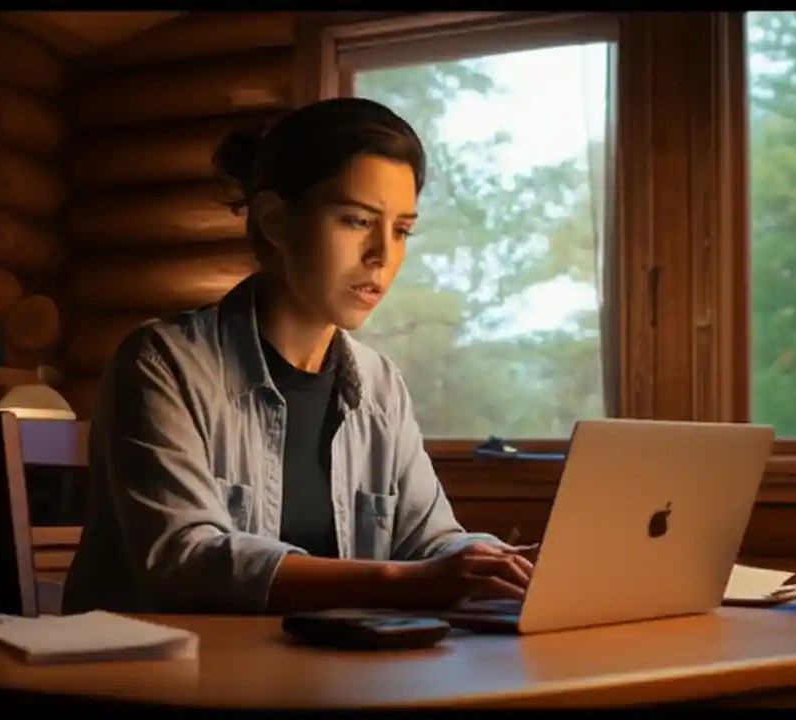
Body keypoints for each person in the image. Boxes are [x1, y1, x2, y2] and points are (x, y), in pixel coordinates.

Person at [62, 97, 536, 615]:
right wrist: (402, 579)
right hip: (173, 679)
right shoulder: (163, 364)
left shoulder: (381, 386)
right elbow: (184, 558)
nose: (382, 254)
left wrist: (495, 561)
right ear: (275, 221)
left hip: (330, 679)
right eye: (357, 220)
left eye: (401, 230)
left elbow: (431, 540)